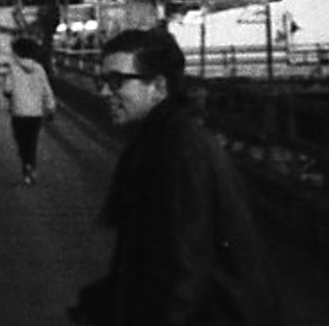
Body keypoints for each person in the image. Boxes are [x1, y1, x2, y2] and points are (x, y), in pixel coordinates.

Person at [71, 25, 281, 324]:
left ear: (157, 86)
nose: (104, 92)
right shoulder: (163, 140)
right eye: (103, 81)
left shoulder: (177, 151)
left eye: (116, 81)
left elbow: (185, 269)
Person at [5, 31, 57, 183]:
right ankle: (31, 166)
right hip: (36, 113)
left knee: (21, 141)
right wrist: (51, 108)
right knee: (32, 141)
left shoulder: (13, 68)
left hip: (18, 112)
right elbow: (47, 91)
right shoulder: (39, 69)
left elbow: (7, 89)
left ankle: (25, 164)